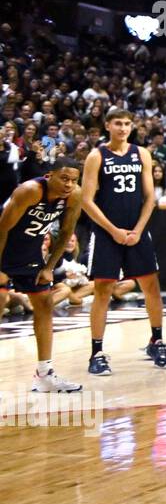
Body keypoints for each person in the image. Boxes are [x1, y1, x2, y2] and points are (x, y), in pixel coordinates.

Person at [80, 108, 166, 374]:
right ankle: (96, 352)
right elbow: (85, 200)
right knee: (103, 291)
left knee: (151, 287)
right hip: (107, 233)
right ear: (108, 125)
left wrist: (139, 230)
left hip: (136, 231)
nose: (123, 128)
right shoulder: (96, 156)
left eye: (127, 123)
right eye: (118, 123)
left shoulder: (142, 153)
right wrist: (113, 229)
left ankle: (157, 340)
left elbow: (150, 197)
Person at [0, 157, 84, 392]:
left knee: (45, 303)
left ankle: (44, 374)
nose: (69, 184)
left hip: (29, 253)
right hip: (3, 248)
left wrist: (48, 267)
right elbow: (2, 229)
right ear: (50, 176)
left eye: (73, 180)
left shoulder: (74, 195)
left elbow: (66, 232)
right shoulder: (29, 191)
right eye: (64, 178)